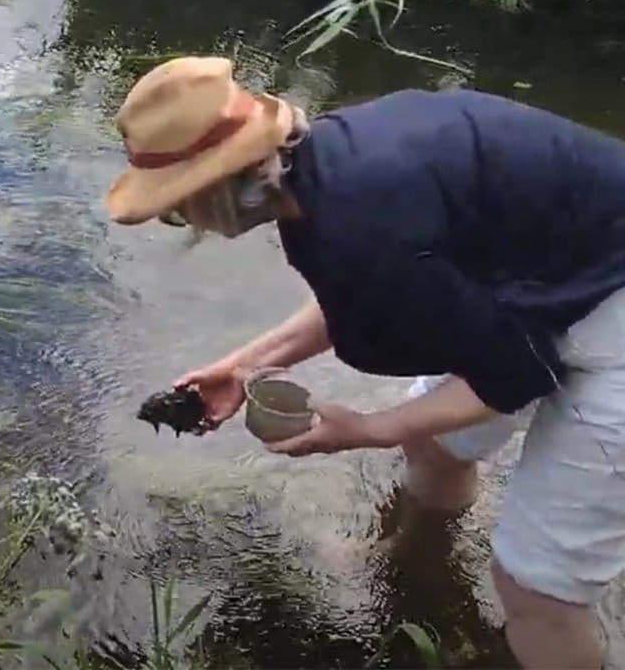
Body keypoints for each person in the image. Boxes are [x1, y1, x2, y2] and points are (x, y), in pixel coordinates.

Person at [104, 55, 625, 670]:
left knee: (538, 589)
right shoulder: (327, 169)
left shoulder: (360, 217)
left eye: (177, 207)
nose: (184, 223)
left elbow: (512, 377)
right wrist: (244, 368)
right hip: (547, 283)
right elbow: (367, 290)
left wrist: (362, 432)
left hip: (608, 314)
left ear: (221, 185)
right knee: (435, 446)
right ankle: (417, 568)